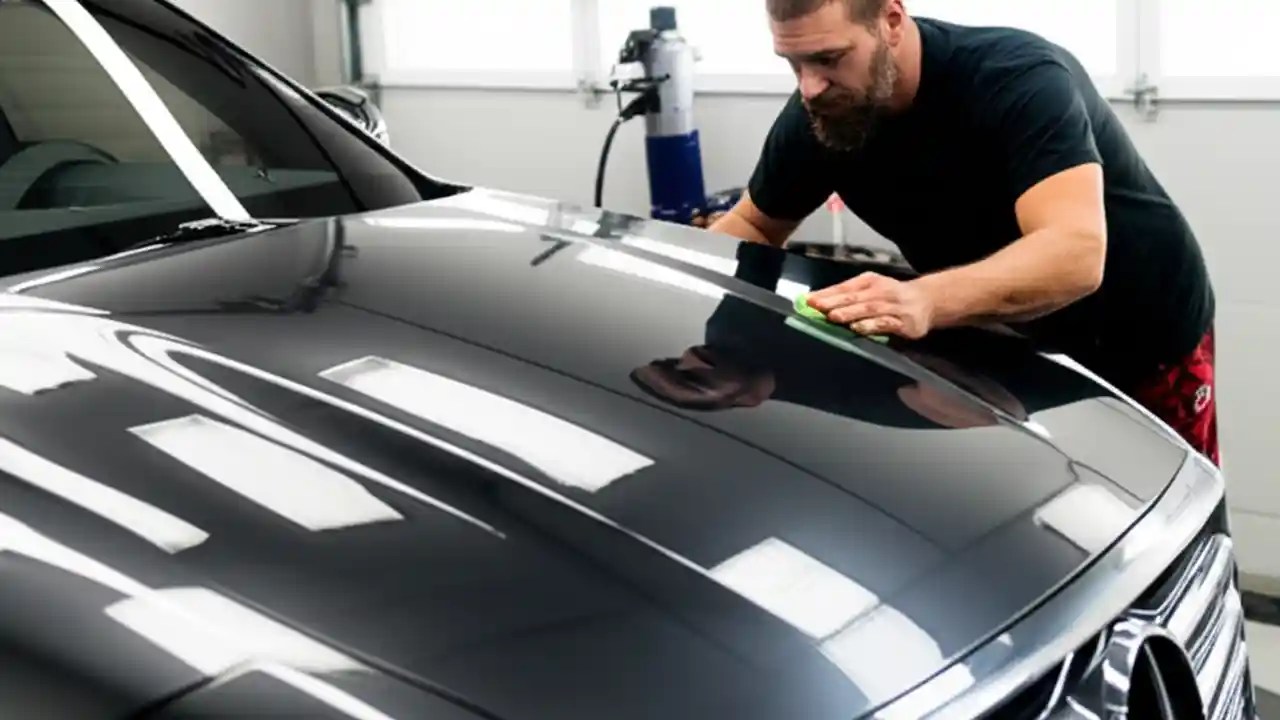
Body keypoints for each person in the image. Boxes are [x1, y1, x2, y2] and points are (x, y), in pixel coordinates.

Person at [708, 0, 1220, 465]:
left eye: (829, 58)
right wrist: (686, 315)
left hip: (1139, 333)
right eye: (794, 64)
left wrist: (923, 300)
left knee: (1161, 519)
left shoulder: (1017, 76)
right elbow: (752, 225)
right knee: (1039, 511)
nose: (809, 86)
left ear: (890, 21)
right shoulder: (823, 113)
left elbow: (1075, 254)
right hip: (1001, 333)